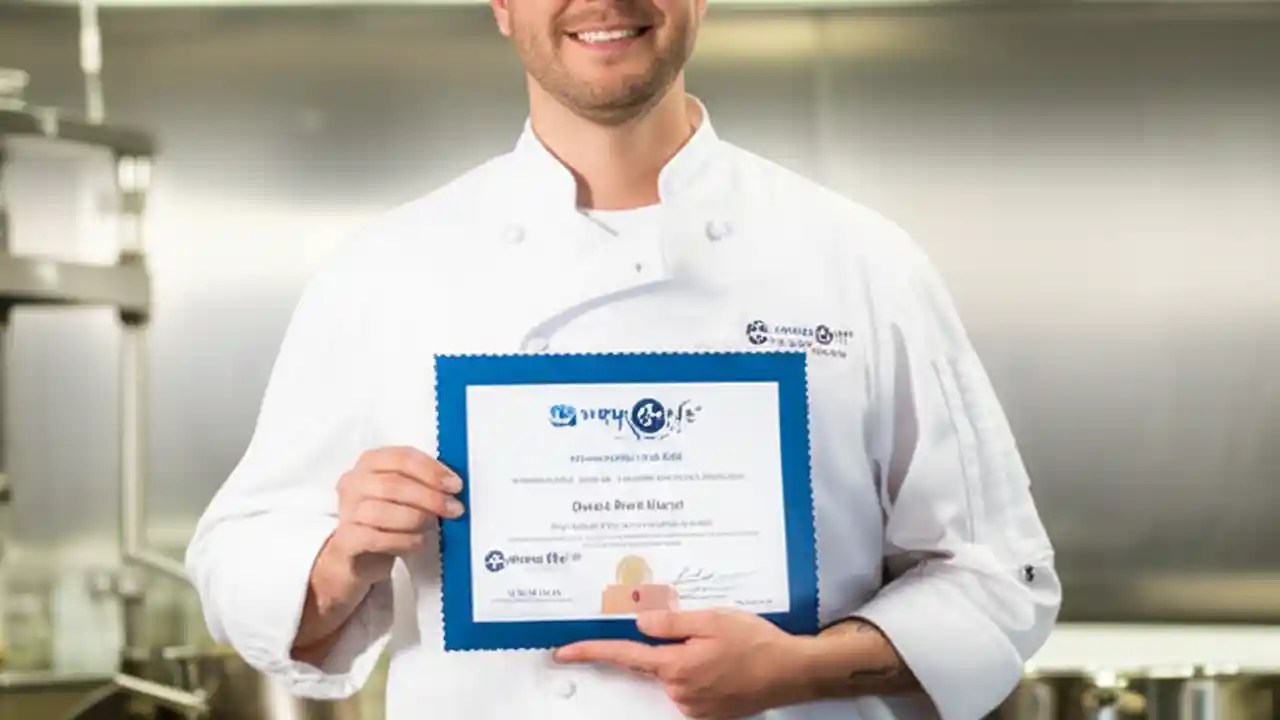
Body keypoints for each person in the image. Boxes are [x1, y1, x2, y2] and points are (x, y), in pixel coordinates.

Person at [185, 0, 1061, 717]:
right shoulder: (385, 270)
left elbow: (997, 584)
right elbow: (236, 561)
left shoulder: (860, 260)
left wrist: (801, 668)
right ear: (501, 5)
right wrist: (341, 559)